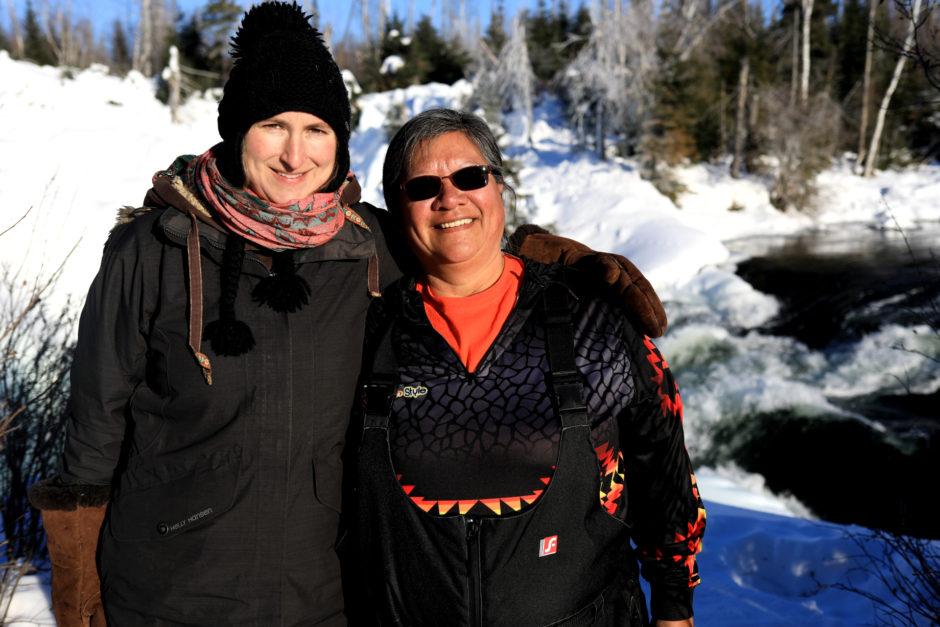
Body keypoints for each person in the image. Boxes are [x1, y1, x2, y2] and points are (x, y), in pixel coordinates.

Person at [26, 4, 670, 626]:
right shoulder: (156, 248)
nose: (294, 155)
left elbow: (455, 243)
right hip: (169, 591)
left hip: (325, 597)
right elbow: (93, 427)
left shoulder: (370, 245)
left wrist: (563, 266)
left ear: (338, 143)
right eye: (273, 125)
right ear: (237, 130)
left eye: (317, 131)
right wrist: (79, 588)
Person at [353, 108, 706, 627]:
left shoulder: (592, 316)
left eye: (470, 177)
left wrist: (674, 606)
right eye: (423, 186)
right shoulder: (363, 329)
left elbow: (664, 469)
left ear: (499, 187)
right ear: (397, 208)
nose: (449, 198)